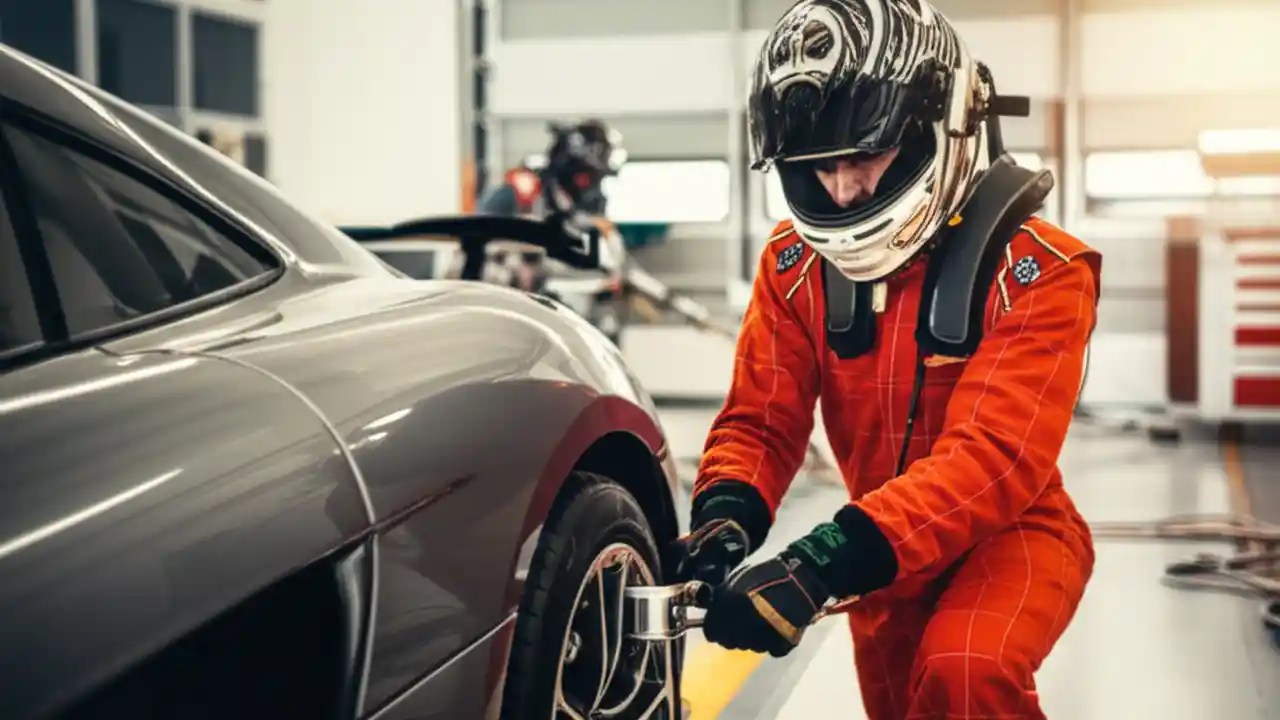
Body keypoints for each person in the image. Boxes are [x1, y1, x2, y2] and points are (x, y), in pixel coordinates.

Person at [672, 1, 1102, 718]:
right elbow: (761, 420)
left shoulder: (1042, 269)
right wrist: (726, 517)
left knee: (965, 671)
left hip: (1012, 535)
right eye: (819, 167)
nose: (843, 190)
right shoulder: (793, 266)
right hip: (882, 559)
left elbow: (991, 458)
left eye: (864, 157)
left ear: (942, 127)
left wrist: (822, 561)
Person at [453, 119, 626, 292]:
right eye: (589, 177)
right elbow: (469, 255)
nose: (591, 187)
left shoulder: (587, 213)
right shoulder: (516, 195)